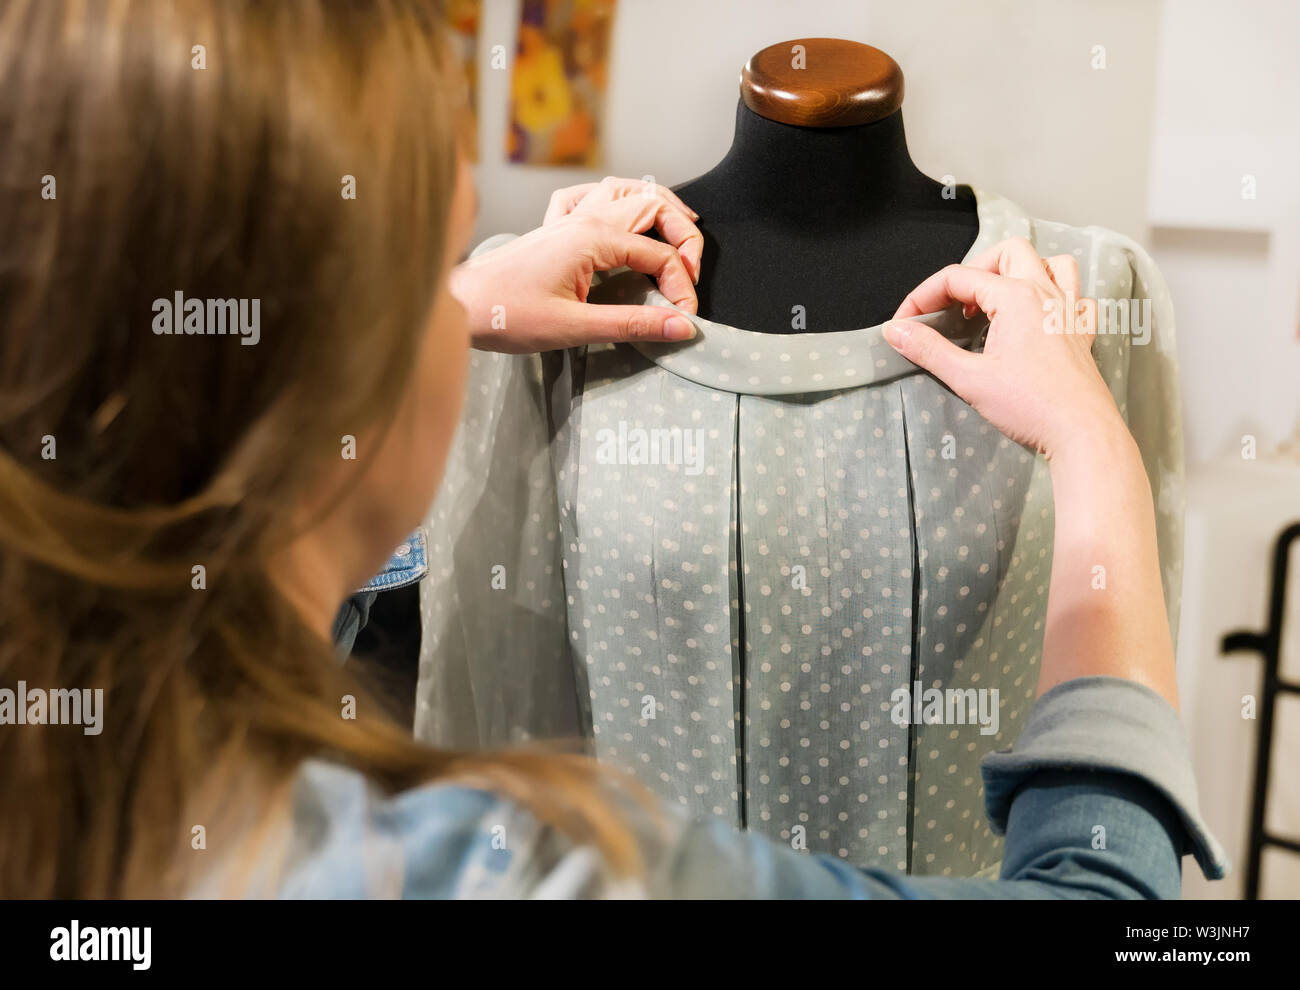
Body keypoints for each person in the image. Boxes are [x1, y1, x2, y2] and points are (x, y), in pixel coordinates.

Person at [0, 0, 1224, 898]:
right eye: (437, 266)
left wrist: (454, 299)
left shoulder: (90, 789)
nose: (470, 295)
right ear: (344, 365)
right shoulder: (500, 869)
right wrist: (1091, 448)